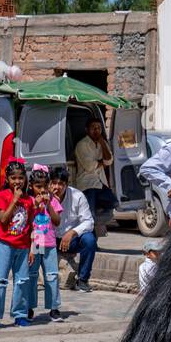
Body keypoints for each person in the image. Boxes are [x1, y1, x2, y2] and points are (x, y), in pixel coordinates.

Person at [0, 160, 34, 328]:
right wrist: (14, 200)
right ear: (7, 179)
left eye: (21, 177)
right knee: (0, 280)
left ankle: (20, 315)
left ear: (25, 179)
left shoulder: (29, 200)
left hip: (23, 247)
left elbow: (30, 226)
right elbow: (2, 218)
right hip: (5, 245)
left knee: (22, 280)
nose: (17, 181)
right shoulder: (3, 196)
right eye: (13, 177)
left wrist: (31, 248)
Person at [50, 165, 98, 293]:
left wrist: (72, 232)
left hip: (71, 241)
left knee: (89, 239)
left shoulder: (78, 196)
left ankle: (83, 280)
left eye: (60, 184)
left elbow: (89, 222)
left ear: (66, 184)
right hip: (50, 240)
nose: (56, 187)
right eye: (53, 183)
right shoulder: (45, 197)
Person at [24, 164, 63, 322]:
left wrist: (48, 205)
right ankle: (30, 307)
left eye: (44, 186)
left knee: (52, 275)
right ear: (31, 186)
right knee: (32, 275)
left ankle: (54, 307)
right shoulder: (30, 201)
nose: (41, 190)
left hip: (50, 243)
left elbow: (57, 221)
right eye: (37, 186)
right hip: (36, 241)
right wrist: (35, 206)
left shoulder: (53, 201)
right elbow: (27, 220)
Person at [74, 115, 117, 221]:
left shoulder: (102, 143)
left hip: (100, 183)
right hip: (87, 184)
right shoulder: (82, 144)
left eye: (99, 128)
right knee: (90, 216)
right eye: (93, 127)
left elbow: (109, 160)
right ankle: (89, 232)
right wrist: (103, 162)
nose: (96, 130)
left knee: (114, 202)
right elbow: (89, 166)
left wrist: (102, 142)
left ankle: (95, 209)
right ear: (87, 130)